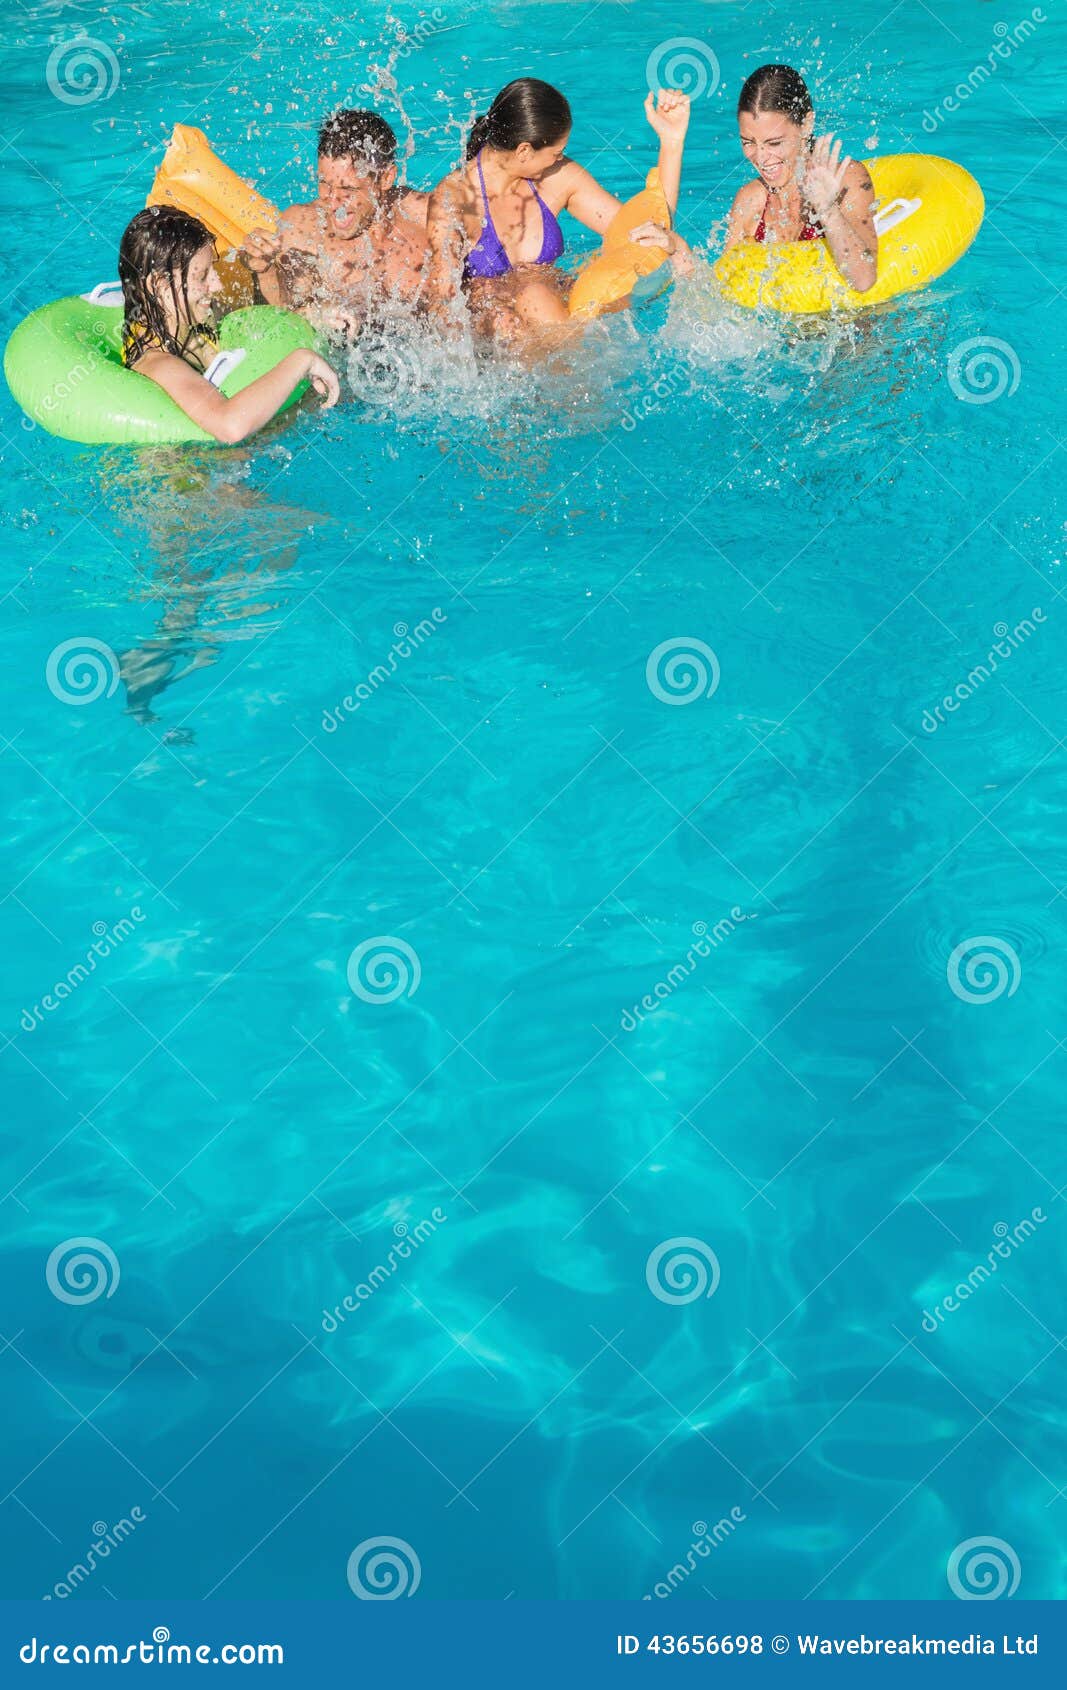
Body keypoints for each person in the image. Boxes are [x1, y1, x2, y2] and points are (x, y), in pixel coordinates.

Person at [424, 77, 691, 339]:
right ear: (524, 151)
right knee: (524, 308)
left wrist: (672, 142)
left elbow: (644, 230)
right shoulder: (455, 200)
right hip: (504, 344)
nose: (560, 159)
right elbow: (442, 300)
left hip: (559, 320)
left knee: (539, 298)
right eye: (556, 152)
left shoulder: (554, 178)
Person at [119, 206, 339, 444]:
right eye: (203, 276)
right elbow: (230, 427)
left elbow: (270, 324)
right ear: (159, 285)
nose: (217, 286)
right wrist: (303, 360)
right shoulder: (158, 363)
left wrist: (314, 316)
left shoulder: (197, 326)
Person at [242, 110, 429, 330]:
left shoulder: (426, 219)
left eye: (348, 189)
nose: (332, 202)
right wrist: (264, 271)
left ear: (386, 178)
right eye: (324, 184)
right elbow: (284, 315)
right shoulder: (303, 227)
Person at [723, 64, 877, 292]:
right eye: (748, 142)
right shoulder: (750, 200)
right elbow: (724, 291)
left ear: (806, 124)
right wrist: (679, 253)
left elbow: (864, 281)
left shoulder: (847, 179)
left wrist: (826, 208)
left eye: (774, 143)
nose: (761, 158)